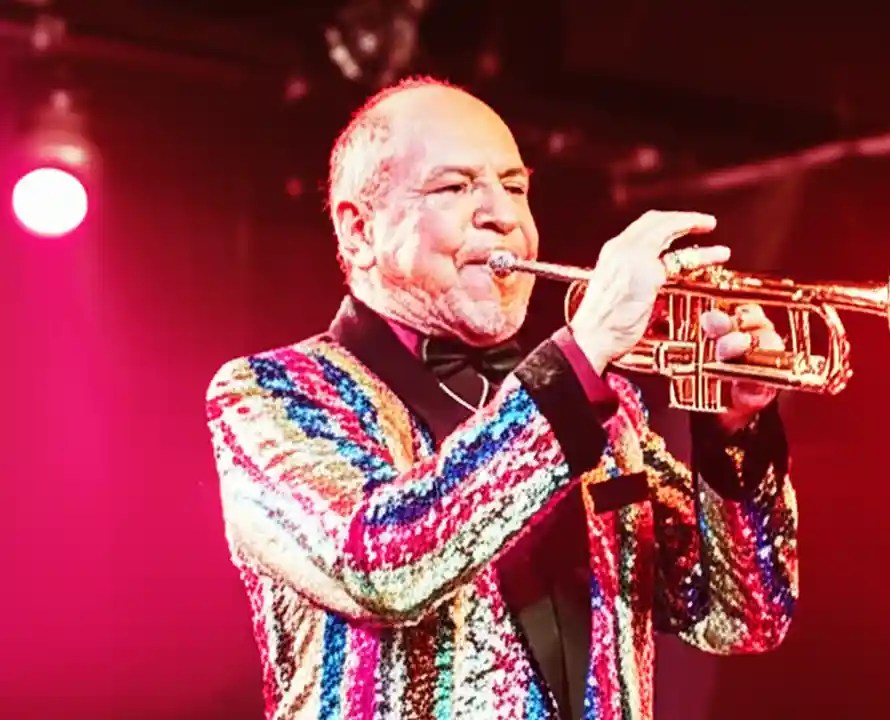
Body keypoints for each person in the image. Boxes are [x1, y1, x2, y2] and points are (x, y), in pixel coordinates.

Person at [205, 75, 798, 720]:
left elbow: (742, 618)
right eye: (455, 187)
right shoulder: (275, 392)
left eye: (515, 187)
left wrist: (733, 435)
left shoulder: (608, 408)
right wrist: (578, 357)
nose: (505, 215)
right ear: (358, 230)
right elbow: (382, 567)